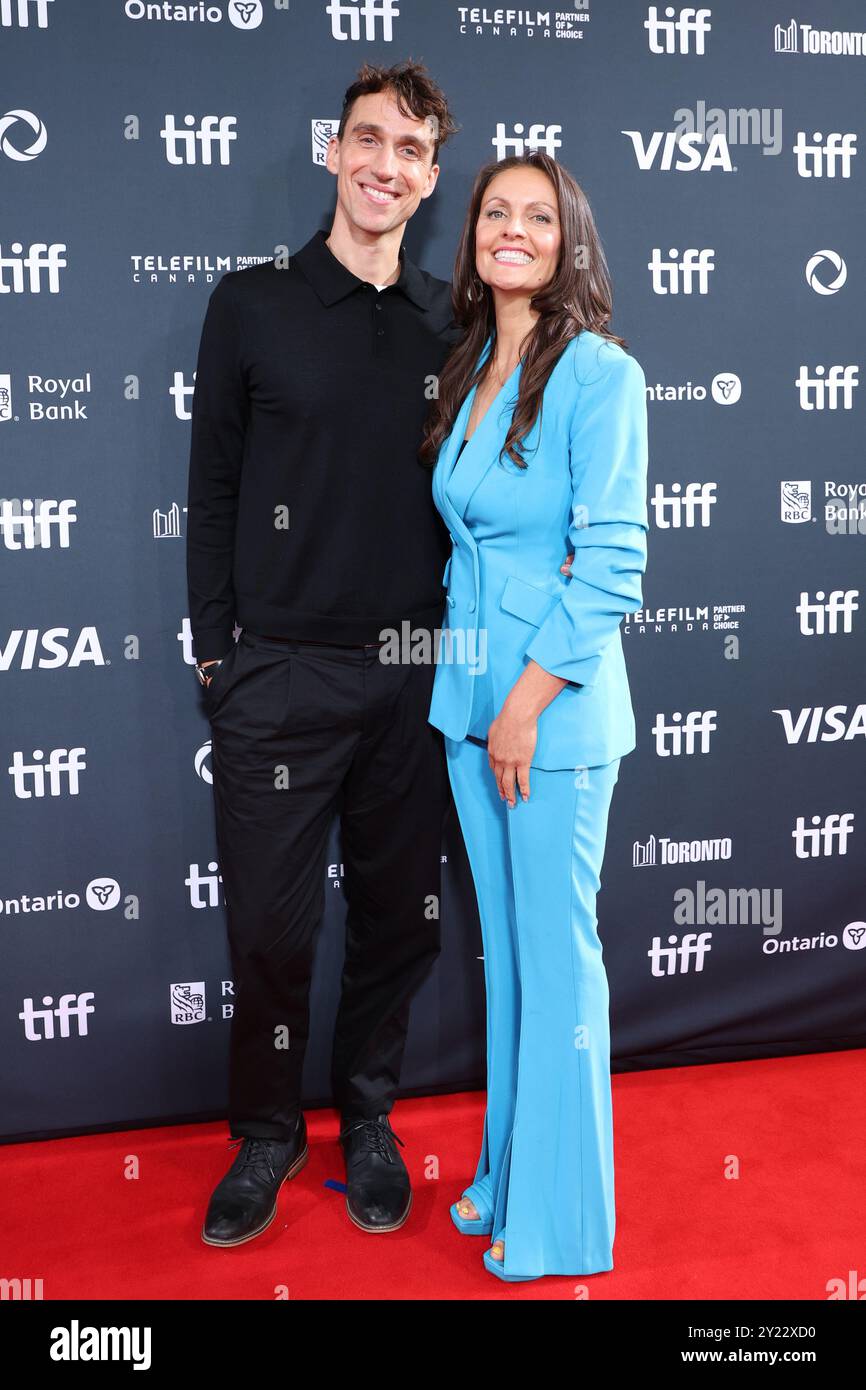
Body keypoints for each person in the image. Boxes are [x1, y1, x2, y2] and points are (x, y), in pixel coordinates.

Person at [186, 61, 462, 1247]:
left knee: (400, 923)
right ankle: (265, 1132)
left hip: (411, 673)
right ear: (332, 151)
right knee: (268, 928)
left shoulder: (451, 321)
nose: (383, 164)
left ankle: (363, 1116)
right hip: (277, 672)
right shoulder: (248, 304)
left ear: (430, 177)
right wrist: (216, 653)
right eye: (367, 139)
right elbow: (211, 491)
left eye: (409, 149)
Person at [420, 151, 649, 1281]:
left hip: (544, 717)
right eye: (494, 212)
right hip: (466, 703)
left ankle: (562, 1225)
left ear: (568, 242)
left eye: (537, 217)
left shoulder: (602, 374)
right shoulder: (471, 362)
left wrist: (518, 707)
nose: (512, 230)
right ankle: (507, 1179)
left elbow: (610, 567)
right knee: (508, 964)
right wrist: (475, 703)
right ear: (472, 235)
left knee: (558, 968)